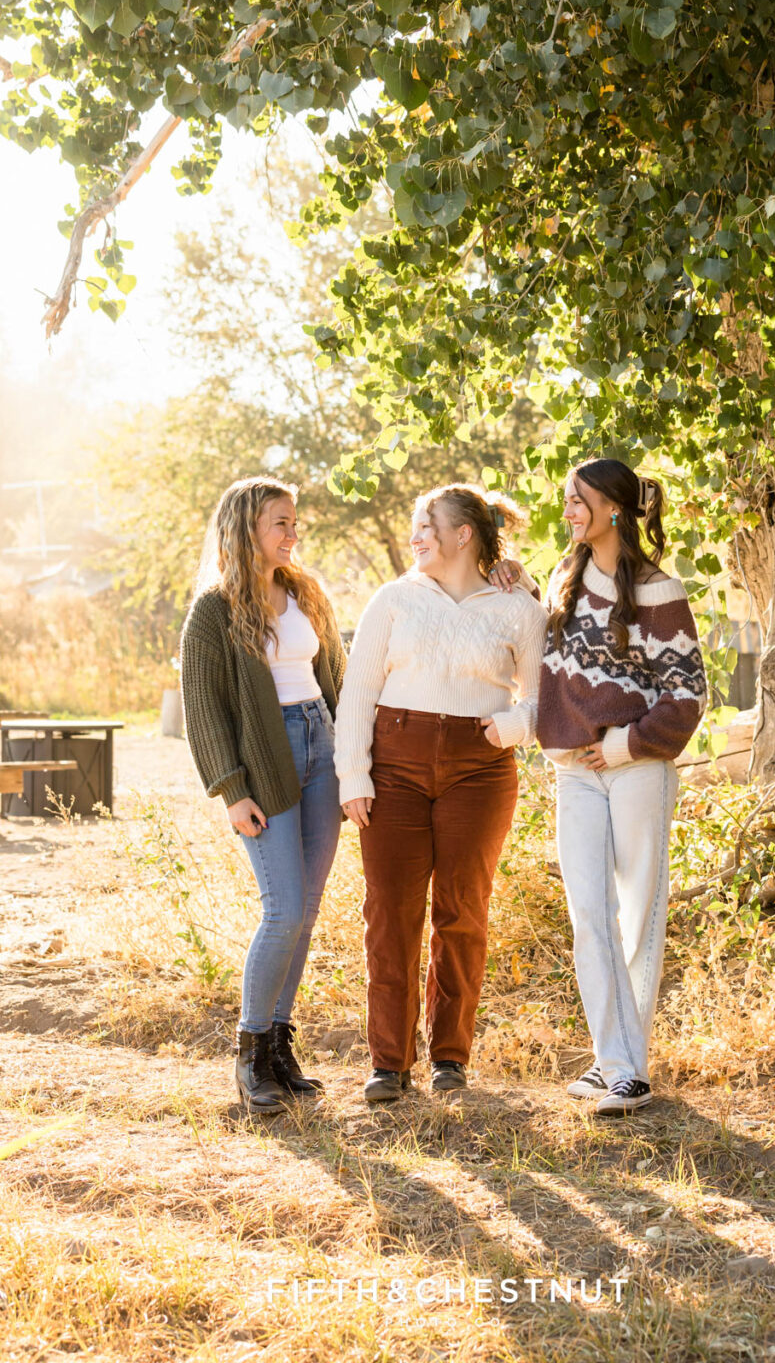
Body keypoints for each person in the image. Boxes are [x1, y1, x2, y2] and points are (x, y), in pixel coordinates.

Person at [334, 483, 547, 1103]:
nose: (415, 536)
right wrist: (354, 776)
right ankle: (389, 1062)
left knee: (462, 911)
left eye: (427, 525)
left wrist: (510, 727)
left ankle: (450, 1057)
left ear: (463, 534)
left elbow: (544, 699)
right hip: (393, 767)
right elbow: (357, 693)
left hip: (479, 769)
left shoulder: (518, 607)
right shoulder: (393, 599)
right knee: (390, 911)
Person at [535, 458, 707, 1117]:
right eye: (567, 500)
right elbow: (546, 673)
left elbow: (687, 695)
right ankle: (616, 1062)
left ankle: (626, 1070)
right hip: (575, 774)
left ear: (613, 508)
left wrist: (621, 745)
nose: (569, 512)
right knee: (590, 917)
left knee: (638, 916)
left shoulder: (660, 592)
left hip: (636, 768)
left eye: (578, 501)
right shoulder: (564, 580)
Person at [180, 477, 346, 1114]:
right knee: (283, 910)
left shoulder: (305, 592)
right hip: (266, 762)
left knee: (307, 909)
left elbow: (335, 679)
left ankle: (279, 1046)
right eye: (281, 522)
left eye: (294, 522)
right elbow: (203, 710)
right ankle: (250, 1053)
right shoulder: (214, 611)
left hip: (322, 747)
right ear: (246, 526)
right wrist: (231, 790)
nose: (292, 533)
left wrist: (354, 762)